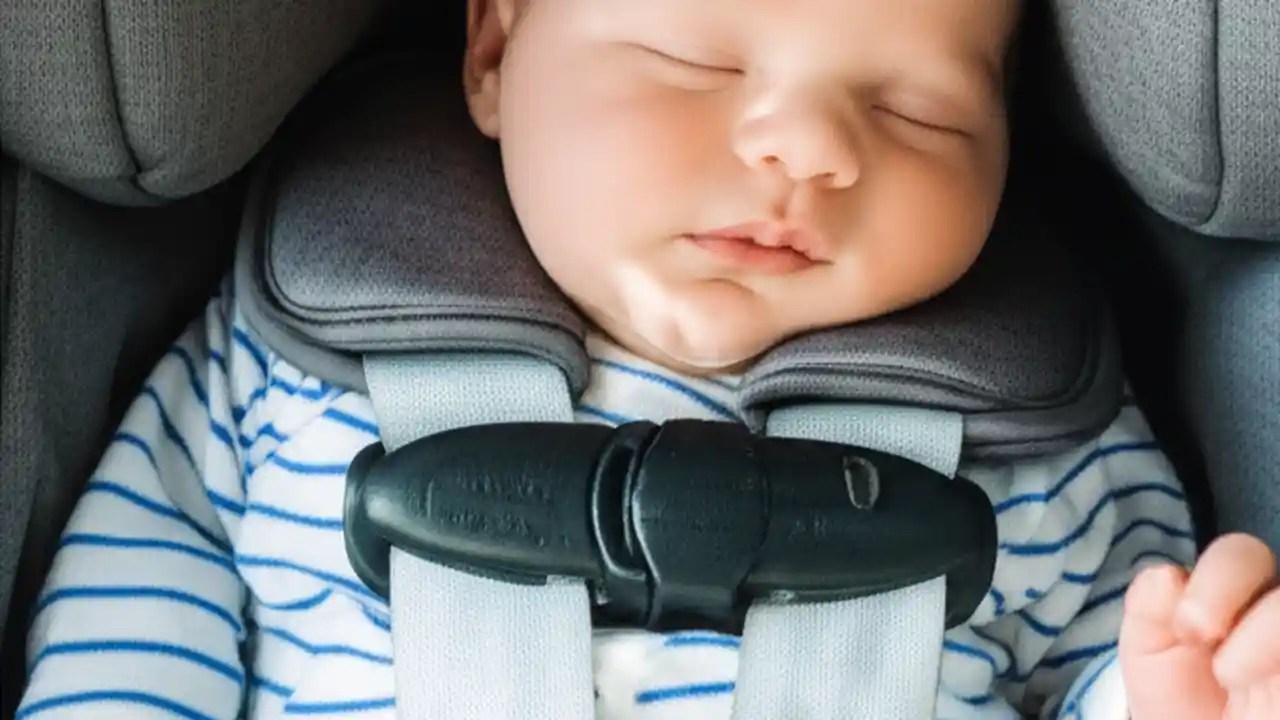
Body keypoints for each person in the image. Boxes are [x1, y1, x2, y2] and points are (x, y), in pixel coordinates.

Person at [18, 1, 1280, 718]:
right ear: (497, 50)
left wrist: (1169, 696)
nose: (806, 147)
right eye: (696, 60)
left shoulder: (1040, 450)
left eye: (917, 110)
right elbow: (134, 617)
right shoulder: (294, 363)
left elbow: (1098, 668)